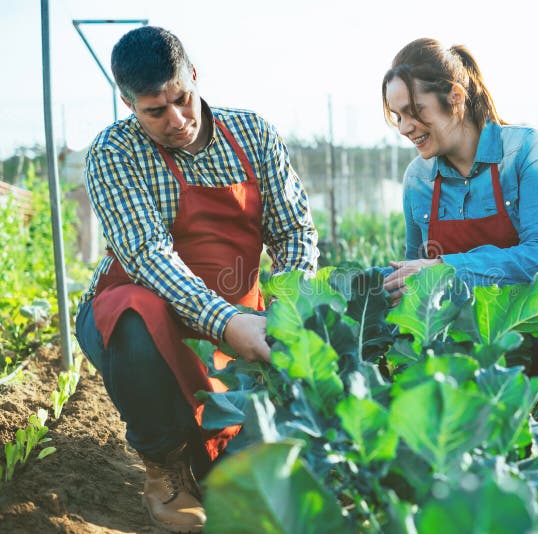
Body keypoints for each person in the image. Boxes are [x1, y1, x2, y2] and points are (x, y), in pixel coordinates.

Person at [74, 26, 318, 533]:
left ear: (194, 77)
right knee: (140, 313)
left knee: (229, 470)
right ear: (128, 104)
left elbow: (294, 231)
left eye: (182, 99)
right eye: (155, 111)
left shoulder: (252, 134)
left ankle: (204, 453)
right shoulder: (114, 152)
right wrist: (228, 322)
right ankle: (162, 463)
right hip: (135, 318)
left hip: (235, 325)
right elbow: (147, 255)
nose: (177, 120)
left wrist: (283, 311)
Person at [380, 38, 538, 426]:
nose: (404, 127)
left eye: (413, 112)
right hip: (470, 332)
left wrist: (446, 270)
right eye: (397, 116)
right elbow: (415, 276)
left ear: (455, 97)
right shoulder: (418, 179)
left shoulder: (526, 151)